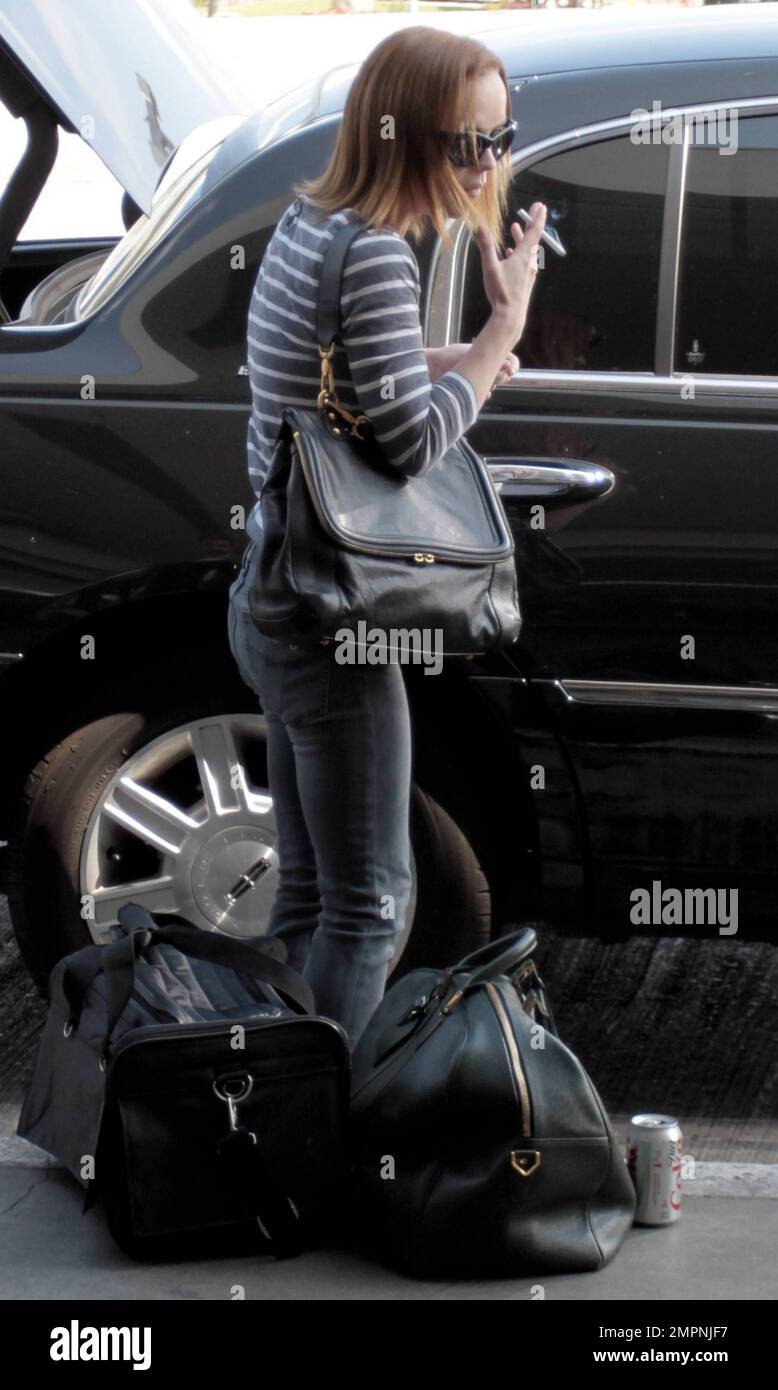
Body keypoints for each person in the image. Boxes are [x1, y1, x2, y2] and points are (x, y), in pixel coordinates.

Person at [227, 25, 547, 1049]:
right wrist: (502, 330)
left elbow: (366, 379)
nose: (487, 167)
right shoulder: (373, 253)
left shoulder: (311, 223)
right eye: (467, 145)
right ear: (404, 134)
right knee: (368, 905)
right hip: (331, 633)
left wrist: (464, 361)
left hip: (274, 596)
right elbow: (409, 443)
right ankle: (311, 1135)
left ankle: (266, 1116)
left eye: (500, 142)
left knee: (311, 895)